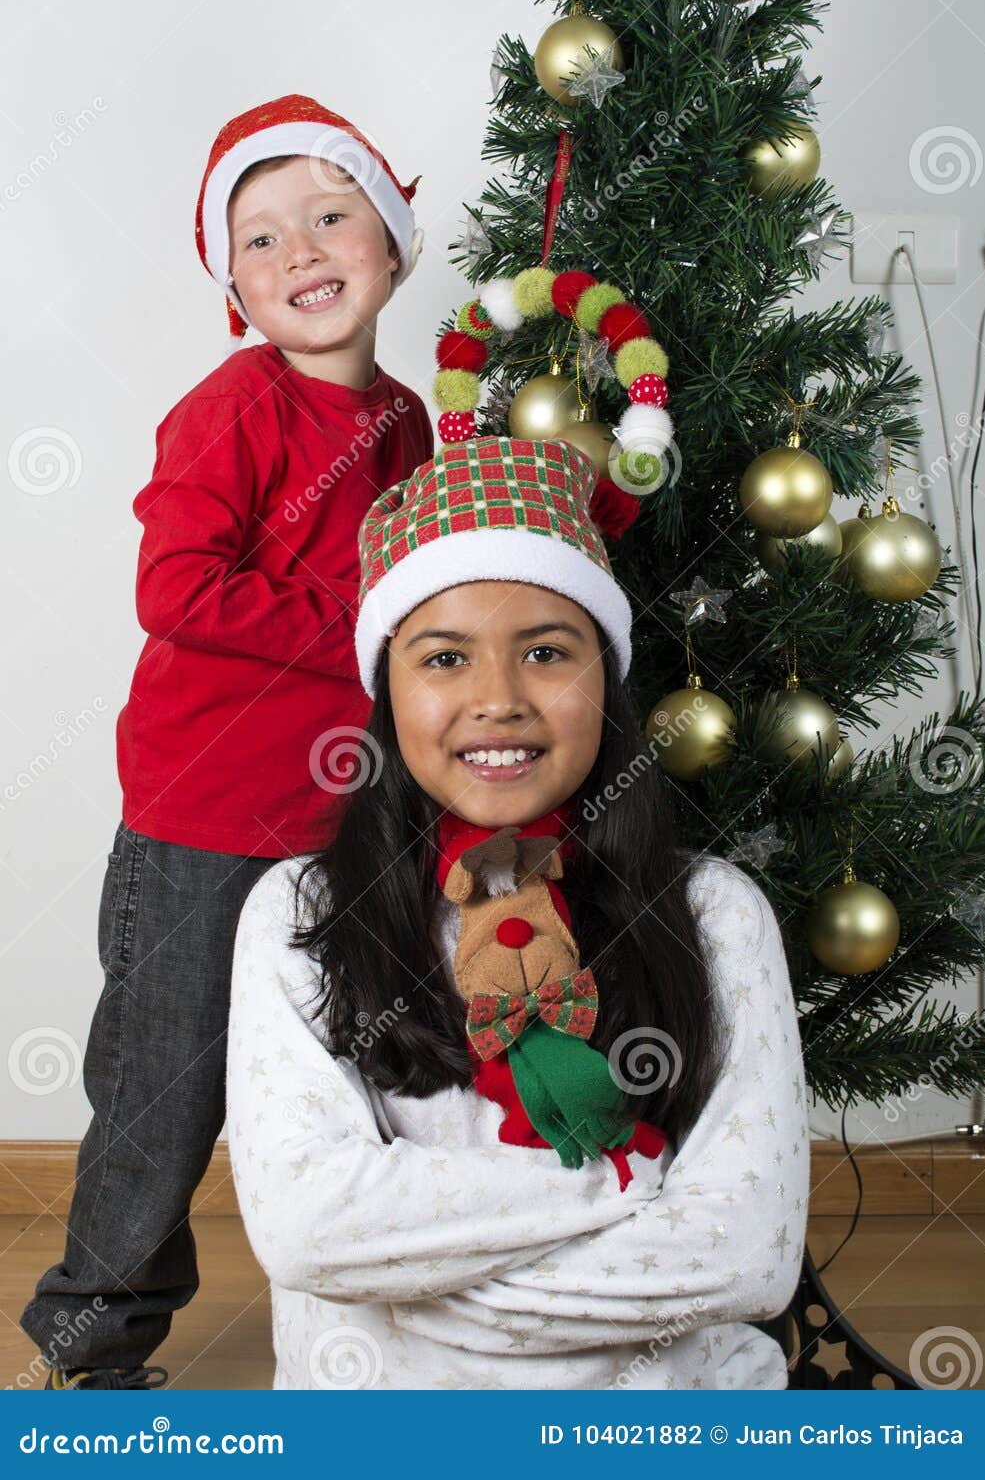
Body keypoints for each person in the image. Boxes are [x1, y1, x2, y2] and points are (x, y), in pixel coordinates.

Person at [226, 434, 810, 1390]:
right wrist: (627, 1182)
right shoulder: (302, 915)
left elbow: (749, 1251)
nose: (497, 701)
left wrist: (412, 1287)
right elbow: (306, 1228)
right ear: (388, 691)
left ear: (606, 680)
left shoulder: (715, 913)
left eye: (546, 652)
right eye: (444, 657)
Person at [20, 94, 434, 1390]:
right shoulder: (233, 409)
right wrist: (358, 621)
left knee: (383, 1063)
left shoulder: (413, 420)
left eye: (330, 214)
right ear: (233, 284)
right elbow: (178, 589)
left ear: (391, 237)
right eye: (259, 238)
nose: (301, 251)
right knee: (163, 1092)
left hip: (358, 818)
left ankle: (398, 1327)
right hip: (204, 821)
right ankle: (91, 1352)